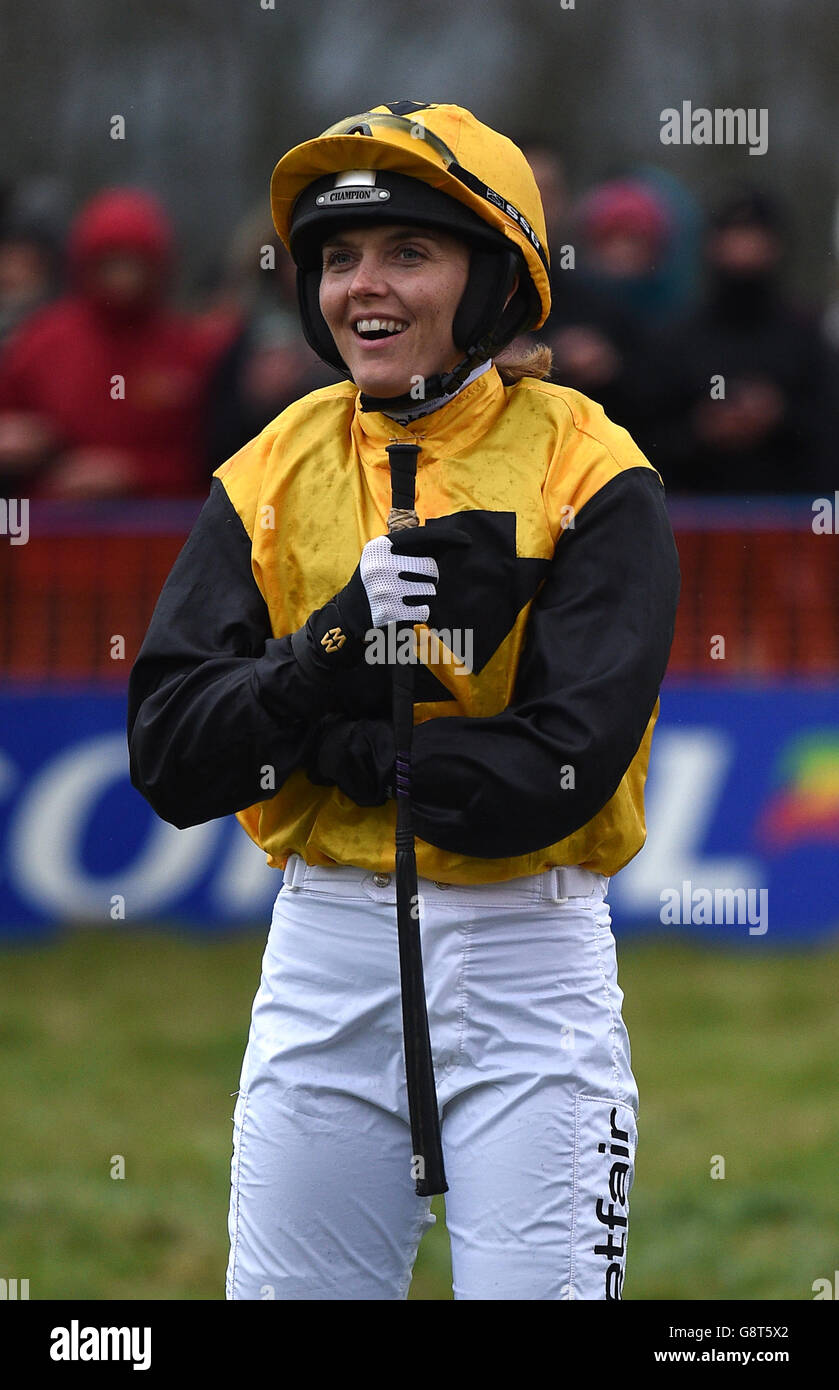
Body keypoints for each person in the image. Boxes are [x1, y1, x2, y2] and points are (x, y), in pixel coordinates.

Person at [127, 102, 681, 1301]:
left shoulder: (593, 469)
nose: (358, 287)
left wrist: (329, 744)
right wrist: (332, 642)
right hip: (321, 956)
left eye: (405, 252)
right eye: (335, 257)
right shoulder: (267, 468)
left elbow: (554, 773)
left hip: (529, 962)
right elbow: (172, 756)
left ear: (494, 278)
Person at [0, 188, 221, 499]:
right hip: (51, 531)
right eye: (109, 263)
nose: (123, 278)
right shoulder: (42, 342)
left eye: (134, 263)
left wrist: (133, 473)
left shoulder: (191, 349)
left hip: (163, 533)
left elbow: (216, 457)